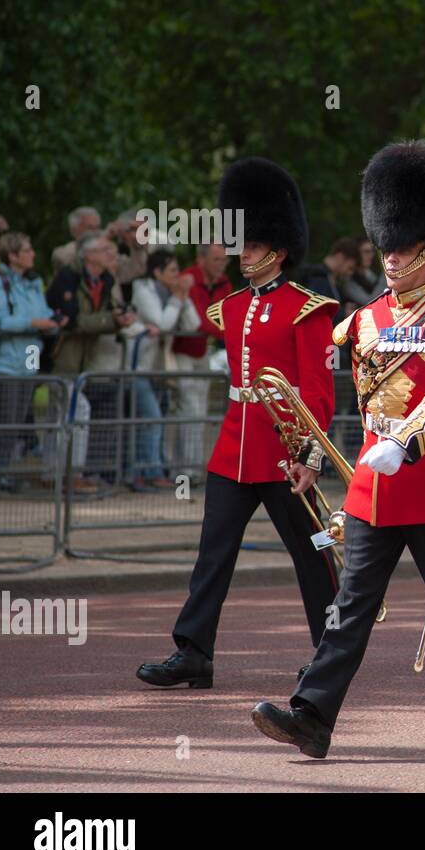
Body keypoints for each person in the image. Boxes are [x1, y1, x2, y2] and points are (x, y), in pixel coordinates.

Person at [251, 140, 425, 758]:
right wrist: (314, 454)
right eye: (385, 246)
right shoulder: (362, 321)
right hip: (373, 483)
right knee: (351, 605)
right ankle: (313, 712)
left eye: (403, 247)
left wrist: (409, 443)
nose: (389, 257)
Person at [136, 157, 340, 691]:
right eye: (241, 243)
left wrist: (310, 457)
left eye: (251, 244)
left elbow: (317, 393)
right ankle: (194, 650)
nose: (242, 251)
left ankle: (330, 648)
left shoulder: (306, 310)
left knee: (311, 554)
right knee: (214, 552)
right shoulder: (231, 307)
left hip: (283, 451)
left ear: (278, 247)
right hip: (234, 447)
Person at [46, 229, 136, 490]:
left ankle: (50, 474)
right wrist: (111, 321)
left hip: (83, 360)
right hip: (60, 356)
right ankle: (72, 474)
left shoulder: (105, 279)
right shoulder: (68, 277)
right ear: (89, 255)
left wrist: (118, 318)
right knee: (77, 410)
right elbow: (70, 321)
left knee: (59, 414)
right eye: (106, 250)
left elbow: (101, 314)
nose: (112, 254)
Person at [0, 232, 60, 488]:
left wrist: (54, 321)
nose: (33, 254)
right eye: (27, 250)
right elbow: (0, 321)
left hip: (29, 357)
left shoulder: (33, 283)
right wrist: (34, 323)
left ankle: (1, 472)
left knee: (18, 421)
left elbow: (43, 312)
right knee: (3, 420)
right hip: (4, 361)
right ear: (13, 255)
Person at [123, 250, 199, 489]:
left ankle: (150, 468)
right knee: (152, 417)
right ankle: (150, 471)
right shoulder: (143, 289)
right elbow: (162, 323)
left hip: (159, 369)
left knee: (156, 418)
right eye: (172, 271)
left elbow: (194, 324)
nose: (178, 276)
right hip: (139, 367)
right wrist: (177, 299)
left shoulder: (170, 292)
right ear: (157, 272)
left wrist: (183, 298)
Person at [172, 242, 234, 472]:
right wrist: (226, 331)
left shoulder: (222, 282)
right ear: (201, 260)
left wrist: (223, 329)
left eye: (225, 260)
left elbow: (226, 313)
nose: (222, 265)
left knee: (200, 407)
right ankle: (188, 468)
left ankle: (190, 465)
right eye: (217, 260)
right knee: (189, 407)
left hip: (202, 350)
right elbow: (201, 321)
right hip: (181, 351)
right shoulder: (188, 279)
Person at [296, 237, 362, 322]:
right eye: (350, 268)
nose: (350, 273)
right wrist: (343, 313)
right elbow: (315, 311)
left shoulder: (330, 279)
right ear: (340, 257)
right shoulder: (318, 276)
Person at [49, 207, 101, 273]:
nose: (96, 233)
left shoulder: (108, 250)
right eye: (90, 228)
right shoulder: (61, 253)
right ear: (74, 230)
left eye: (98, 227)